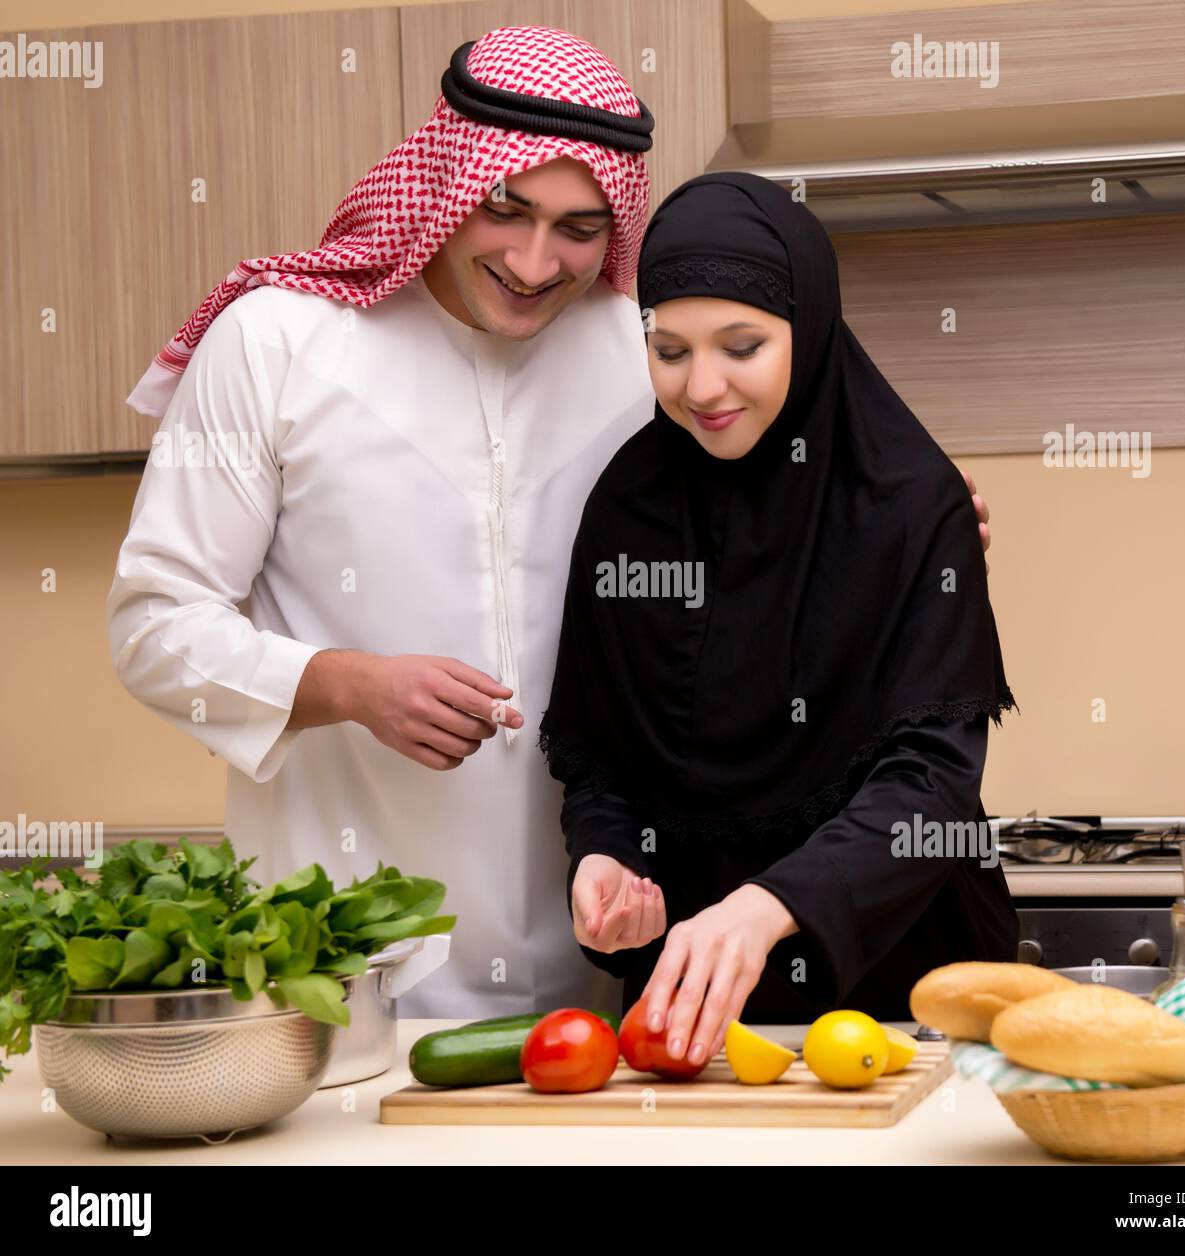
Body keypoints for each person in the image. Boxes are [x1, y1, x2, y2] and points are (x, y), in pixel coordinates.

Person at [107, 27, 994, 1020]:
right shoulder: (278, 342)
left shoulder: (640, 350)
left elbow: (793, 494)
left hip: (607, 969)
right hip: (342, 960)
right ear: (447, 178)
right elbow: (152, 625)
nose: (535, 262)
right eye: (505, 209)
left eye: (578, 228)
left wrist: (903, 524)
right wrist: (343, 682)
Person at [539, 172, 1019, 1067]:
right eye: (669, 349)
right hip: (694, 1003)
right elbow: (602, 764)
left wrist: (766, 906)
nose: (702, 386)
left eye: (741, 345)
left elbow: (931, 783)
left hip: (910, 988)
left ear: (812, 325)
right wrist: (604, 861)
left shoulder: (915, 505)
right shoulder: (626, 508)